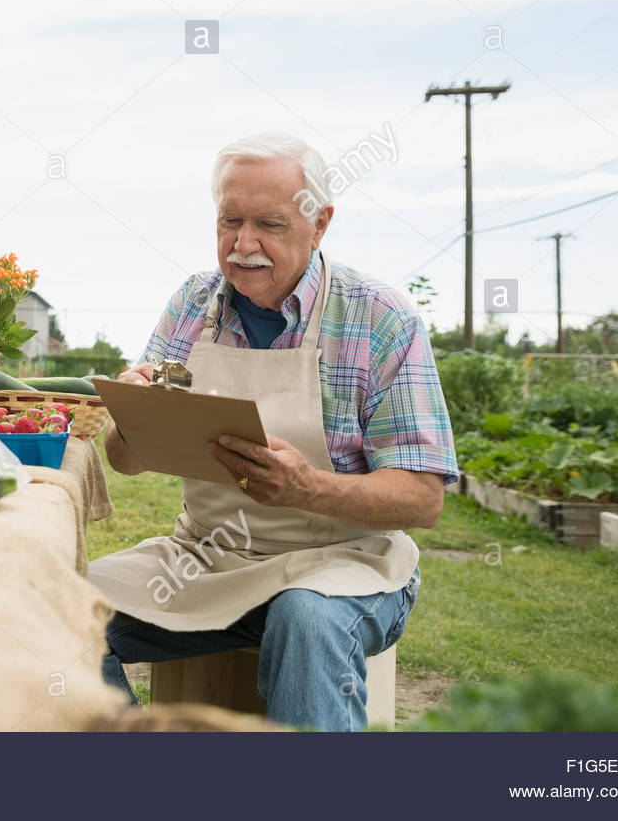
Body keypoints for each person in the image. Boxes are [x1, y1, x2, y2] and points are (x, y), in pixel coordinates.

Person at [92, 131, 457, 731]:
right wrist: (134, 413)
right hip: (206, 556)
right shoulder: (193, 304)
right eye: (230, 220)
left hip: (345, 563)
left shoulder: (380, 318)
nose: (243, 245)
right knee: (53, 612)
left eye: (270, 224)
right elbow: (125, 461)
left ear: (320, 224)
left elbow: (424, 499)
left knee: (305, 619)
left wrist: (308, 488)